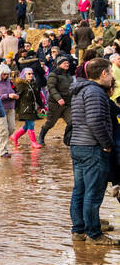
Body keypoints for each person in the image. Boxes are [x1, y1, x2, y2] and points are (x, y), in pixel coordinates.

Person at [69, 58, 118, 245]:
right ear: (103, 73)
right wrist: (107, 144)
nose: (112, 76)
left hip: (78, 146)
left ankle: (79, 231)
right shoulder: (95, 92)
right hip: (92, 148)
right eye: (110, 72)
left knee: (79, 191)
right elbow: (95, 120)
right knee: (93, 193)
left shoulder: (79, 90)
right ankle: (94, 234)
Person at [41, 56, 73, 146]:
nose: (67, 64)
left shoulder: (68, 75)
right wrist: (58, 98)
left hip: (67, 103)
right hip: (55, 103)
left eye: (68, 63)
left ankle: (69, 139)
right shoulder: (53, 74)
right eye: (64, 63)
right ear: (59, 64)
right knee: (50, 123)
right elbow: (51, 87)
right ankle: (41, 137)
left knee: (72, 121)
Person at [11, 68, 42, 148]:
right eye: (29, 74)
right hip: (24, 108)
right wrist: (15, 109)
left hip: (32, 107)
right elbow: (17, 96)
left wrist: (42, 106)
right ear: (24, 75)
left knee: (27, 125)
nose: (31, 75)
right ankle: (33, 142)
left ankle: (15, 136)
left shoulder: (34, 84)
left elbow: (38, 96)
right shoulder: (21, 85)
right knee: (31, 123)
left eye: (32, 73)